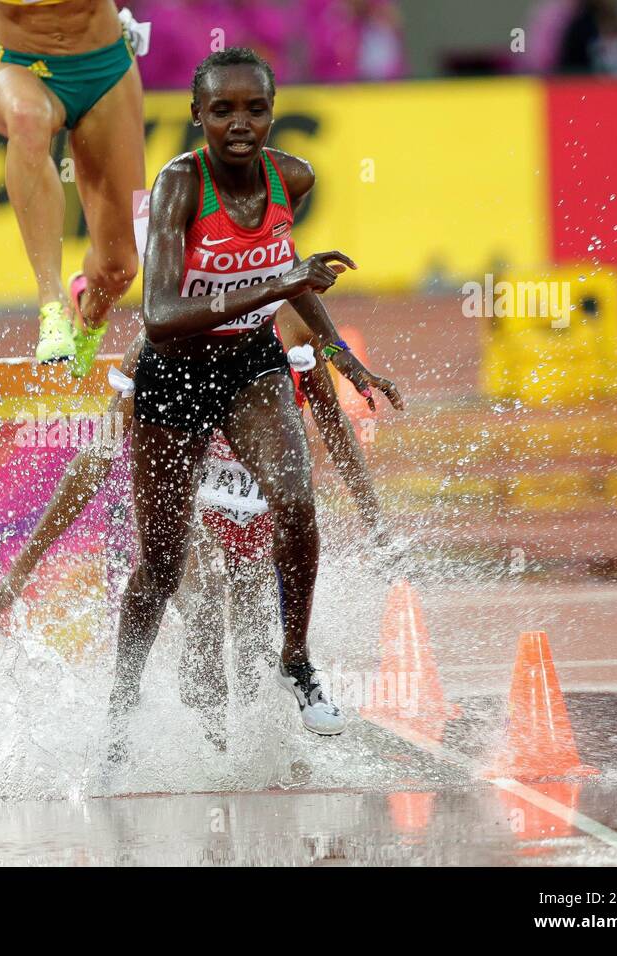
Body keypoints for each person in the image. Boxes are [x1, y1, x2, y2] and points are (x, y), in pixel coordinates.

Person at [109, 47, 401, 757]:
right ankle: (121, 698)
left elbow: (288, 271)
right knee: (163, 562)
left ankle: (297, 663)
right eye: (223, 110)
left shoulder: (289, 177)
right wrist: (277, 285)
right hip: (173, 374)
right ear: (197, 116)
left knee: (295, 498)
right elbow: (162, 315)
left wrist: (342, 356)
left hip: (250, 364)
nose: (240, 124)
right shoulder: (181, 184)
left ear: (273, 110)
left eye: (255, 109)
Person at [0, 313, 385, 749]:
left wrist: (376, 524)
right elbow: (96, 459)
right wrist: (17, 577)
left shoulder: (290, 325)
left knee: (255, 646)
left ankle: (258, 762)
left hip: (260, 507)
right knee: (202, 617)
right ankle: (194, 749)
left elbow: (334, 425)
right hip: (197, 502)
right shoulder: (159, 341)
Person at [0, 0, 147, 374]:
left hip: (104, 69)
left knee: (120, 267)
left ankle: (88, 309)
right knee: (26, 117)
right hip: (16, 66)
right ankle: (50, 302)